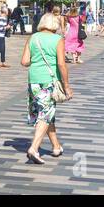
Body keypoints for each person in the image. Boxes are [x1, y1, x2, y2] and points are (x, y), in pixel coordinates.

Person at [21, 12, 71, 164]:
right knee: (46, 114)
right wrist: (66, 85)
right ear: (54, 24)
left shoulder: (33, 37)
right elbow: (61, 64)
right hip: (49, 81)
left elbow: (24, 61)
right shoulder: (58, 39)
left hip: (33, 80)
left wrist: (37, 62)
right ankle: (34, 148)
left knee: (46, 113)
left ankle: (56, 146)